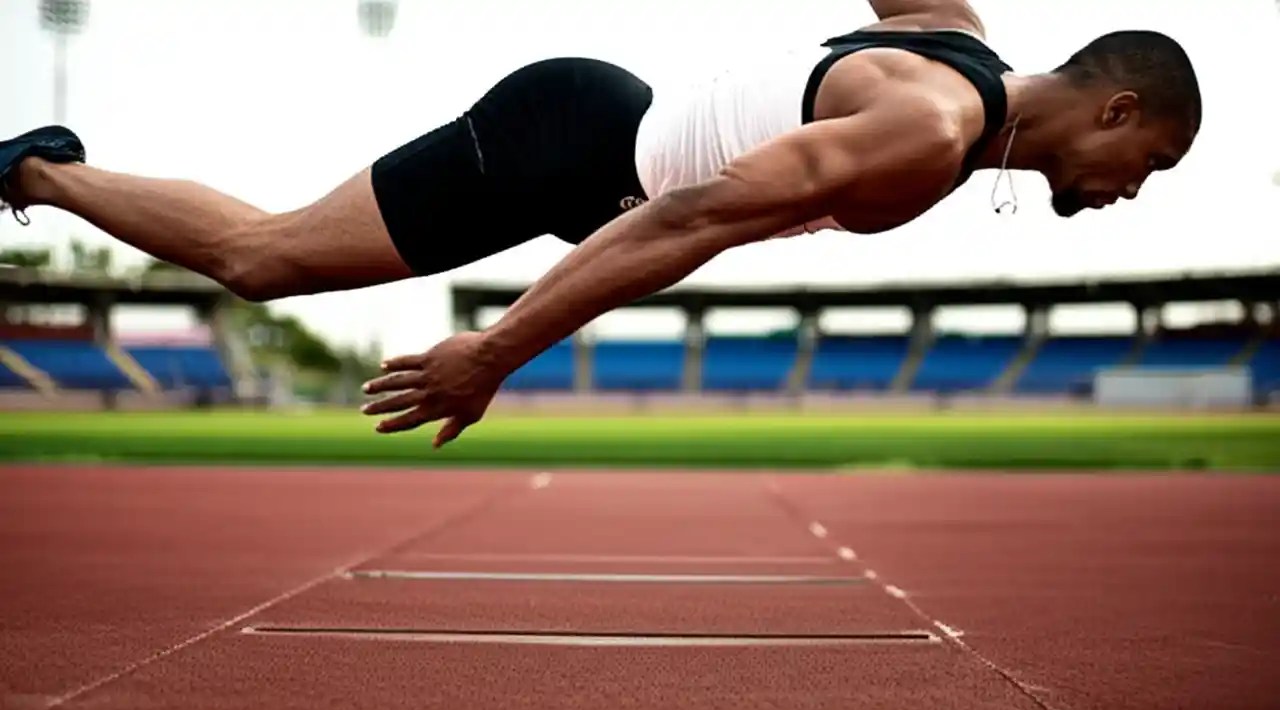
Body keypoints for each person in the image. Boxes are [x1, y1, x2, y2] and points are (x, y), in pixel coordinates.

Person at [0, 0, 1200, 446]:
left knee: (261, 255)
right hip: (565, 148)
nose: (1127, 190)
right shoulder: (931, 126)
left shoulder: (960, 36)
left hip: (594, 145)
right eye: (1140, 162)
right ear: (1114, 106)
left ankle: (41, 174)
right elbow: (692, 217)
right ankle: (39, 176)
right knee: (258, 260)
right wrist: (494, 351)